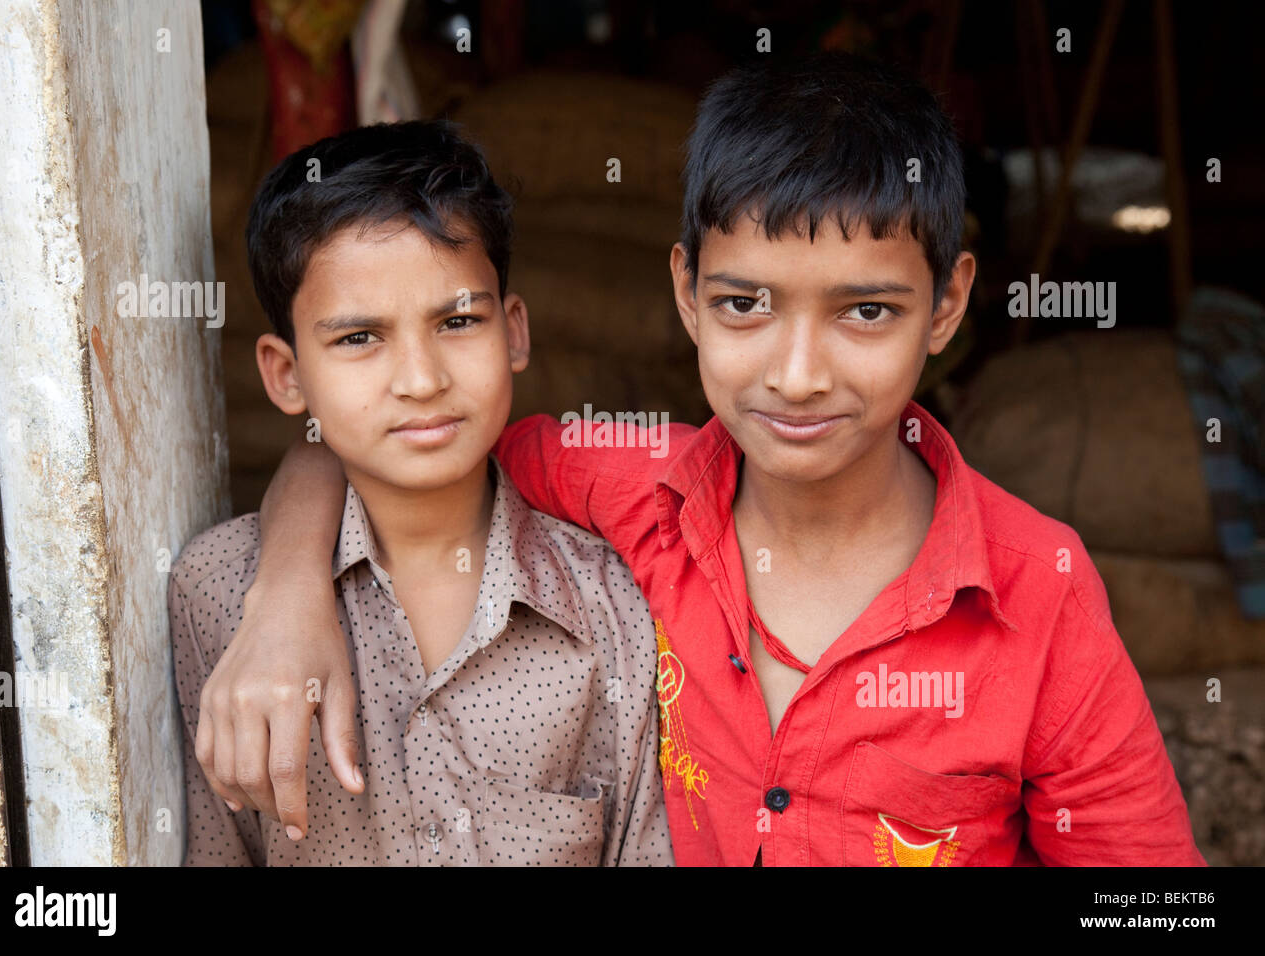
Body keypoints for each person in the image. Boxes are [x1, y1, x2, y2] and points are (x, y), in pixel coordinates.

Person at [196, 52, 1204, 866]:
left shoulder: (1036, 587)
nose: (797, 373)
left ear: (945, 305)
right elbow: (394, 439)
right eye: (743, 304)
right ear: (685, 292)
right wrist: (284, 596)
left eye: (866, 311)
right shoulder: (627, 476)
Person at [169, 119, 672, 865]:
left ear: (514, 333)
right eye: (358, 339)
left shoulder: (613, 607)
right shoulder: (216, 596)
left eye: (458, 321)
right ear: (285, 375)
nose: (421, 379)